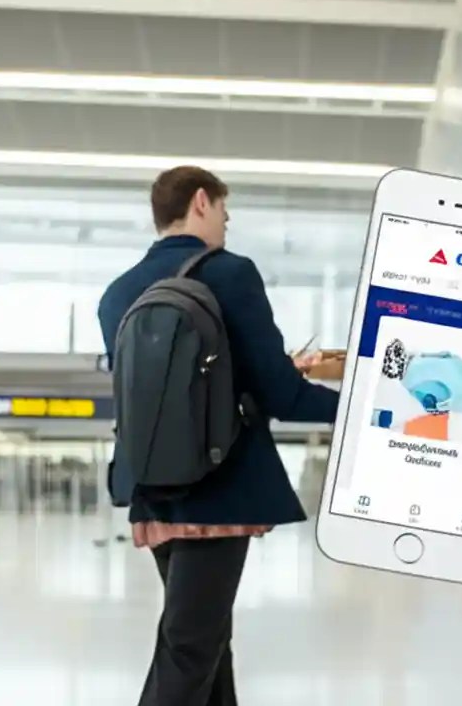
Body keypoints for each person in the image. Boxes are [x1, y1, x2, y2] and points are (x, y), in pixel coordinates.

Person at [98, 166, 338, 706]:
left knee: (206, 640)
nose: (227, 222)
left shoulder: (118, 294)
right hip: (217, 483)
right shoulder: (230, 273)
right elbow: (282, 397)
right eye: (225, 210)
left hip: (152, 488)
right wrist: (360, 409)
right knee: (190, 647)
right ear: (201, 202)